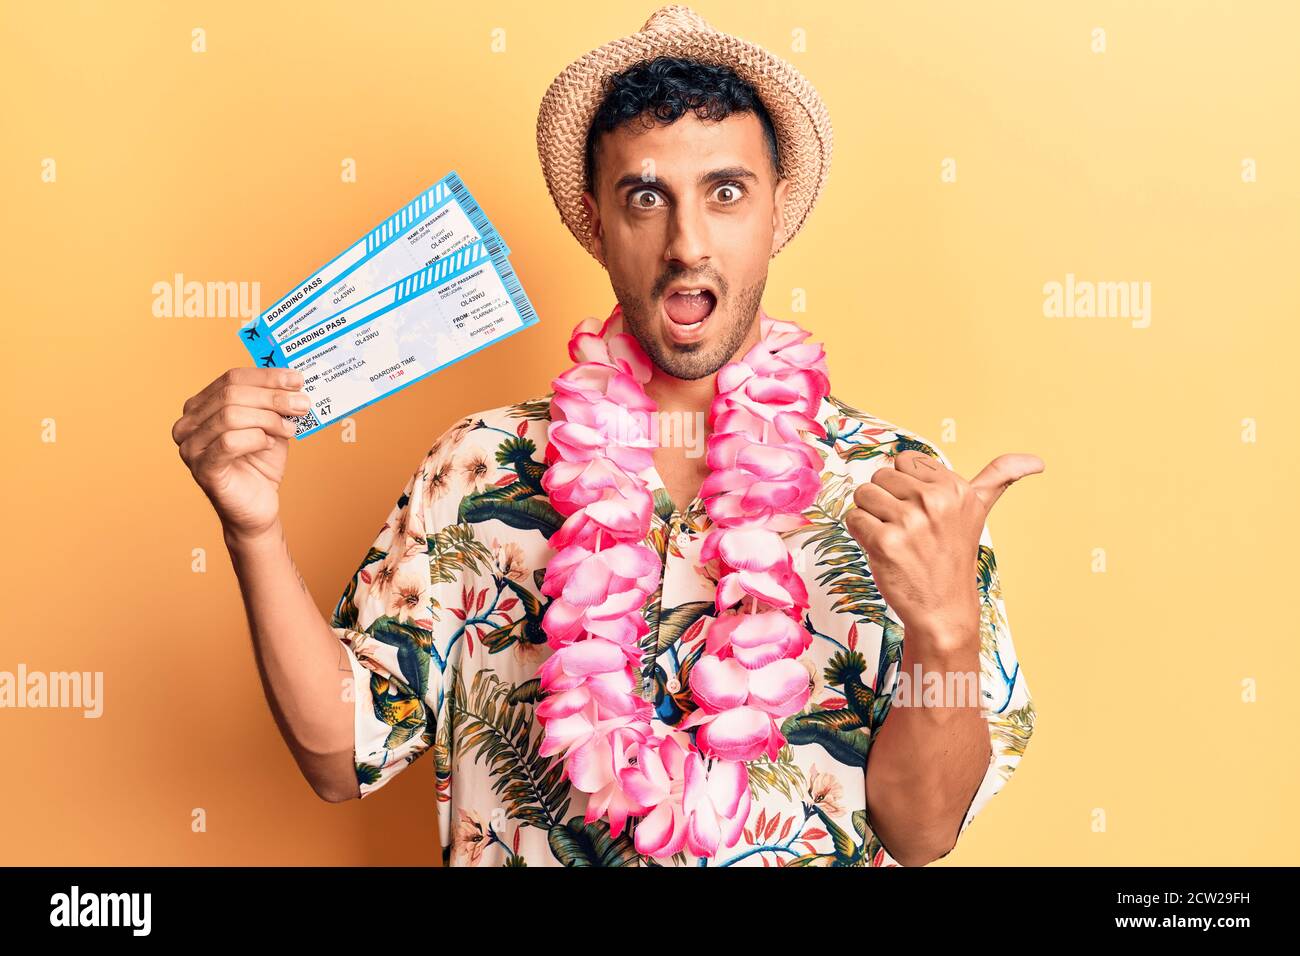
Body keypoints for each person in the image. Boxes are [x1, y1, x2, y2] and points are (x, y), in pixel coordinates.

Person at [171, 5, 1041, 867]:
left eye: (726, 193)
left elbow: (923, 833)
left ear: (777, 213)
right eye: (646, 197)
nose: (686, 243)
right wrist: (252, 528)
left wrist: (947, 634)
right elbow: (338, 755)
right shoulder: (478, 468)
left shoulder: (898, 491)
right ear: (596, 221)